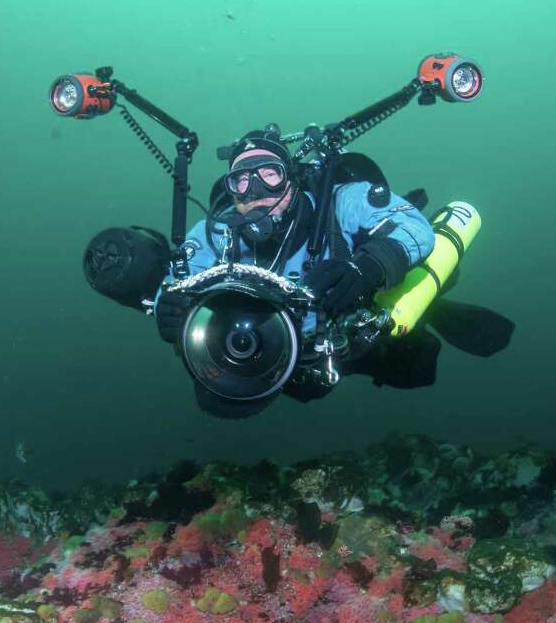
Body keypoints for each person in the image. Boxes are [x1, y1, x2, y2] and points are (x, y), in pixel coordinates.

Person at [152, 127, 512, 417]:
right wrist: (170, 307)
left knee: (413, 365)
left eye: (270, 174)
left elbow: (415, 228)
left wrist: (368, 266)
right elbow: (178, 278)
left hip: (358, 324)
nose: (256, 190)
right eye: (241, 181)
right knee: (221, 398)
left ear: (291, 179)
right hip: (280, 349)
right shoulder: (214, 232)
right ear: (230, 192)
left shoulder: (343, 200)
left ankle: (432, 308)